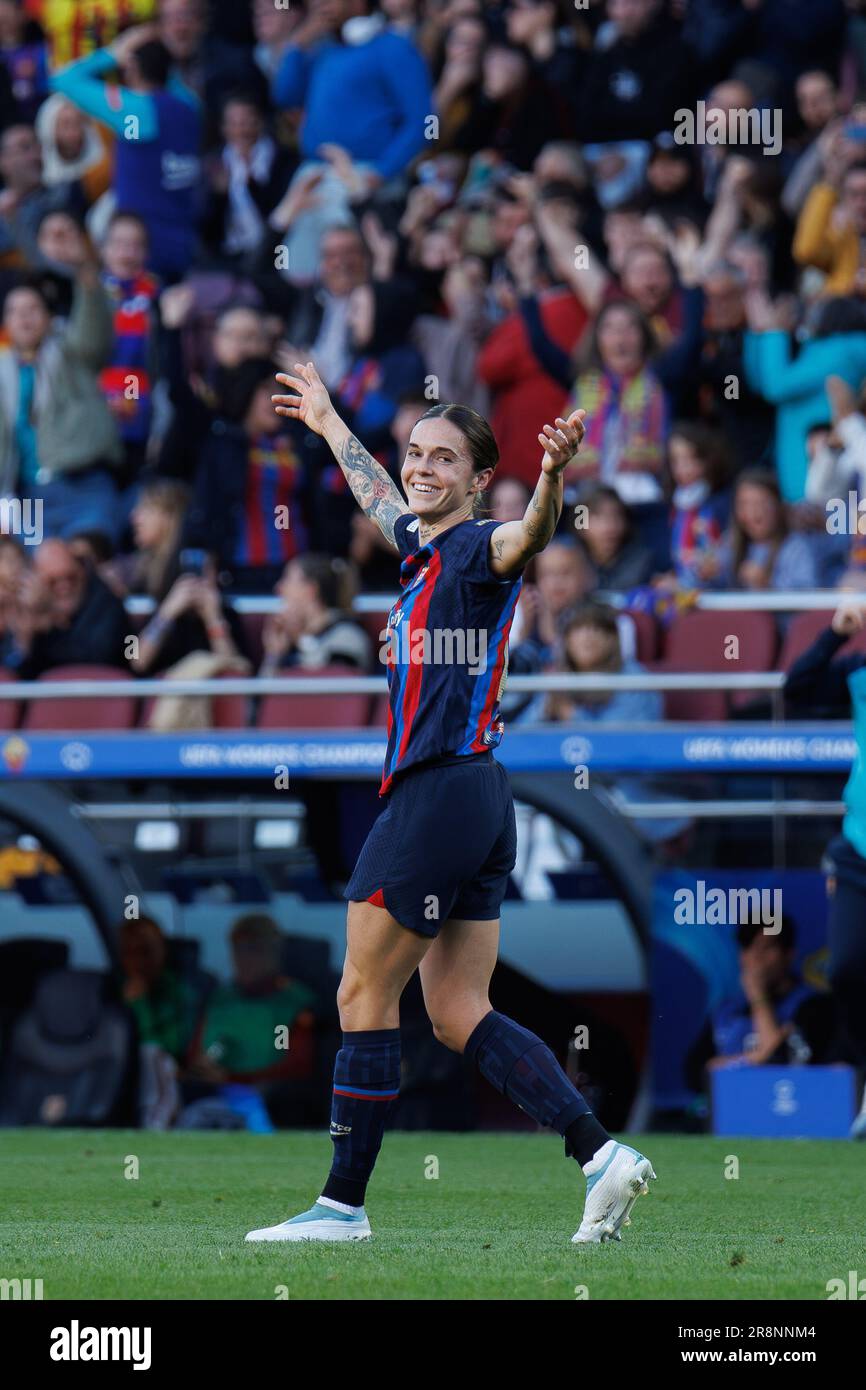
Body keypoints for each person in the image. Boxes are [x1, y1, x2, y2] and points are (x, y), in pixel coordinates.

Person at [243, 361, 656, 1245]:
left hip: (436, 791)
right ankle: (601, 1156)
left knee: (362, 988)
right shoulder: (424, 545)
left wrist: (550, 479)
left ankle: (341, 1208)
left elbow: (526, 537)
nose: (422, 468)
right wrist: (329, 423)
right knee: (457, 1010)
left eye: (443, 459)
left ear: (477, 480)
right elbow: (381, 501)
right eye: (415, 454)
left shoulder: (474, 548)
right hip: (478, 796)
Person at [49, 23, 203, 280]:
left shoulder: (134, 112)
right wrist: (158, 52)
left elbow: (63, 79)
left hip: (139, 253)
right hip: (186, 243)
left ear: (131, 68)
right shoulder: (190, 106)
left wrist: (112, 53)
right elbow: (169, 81)